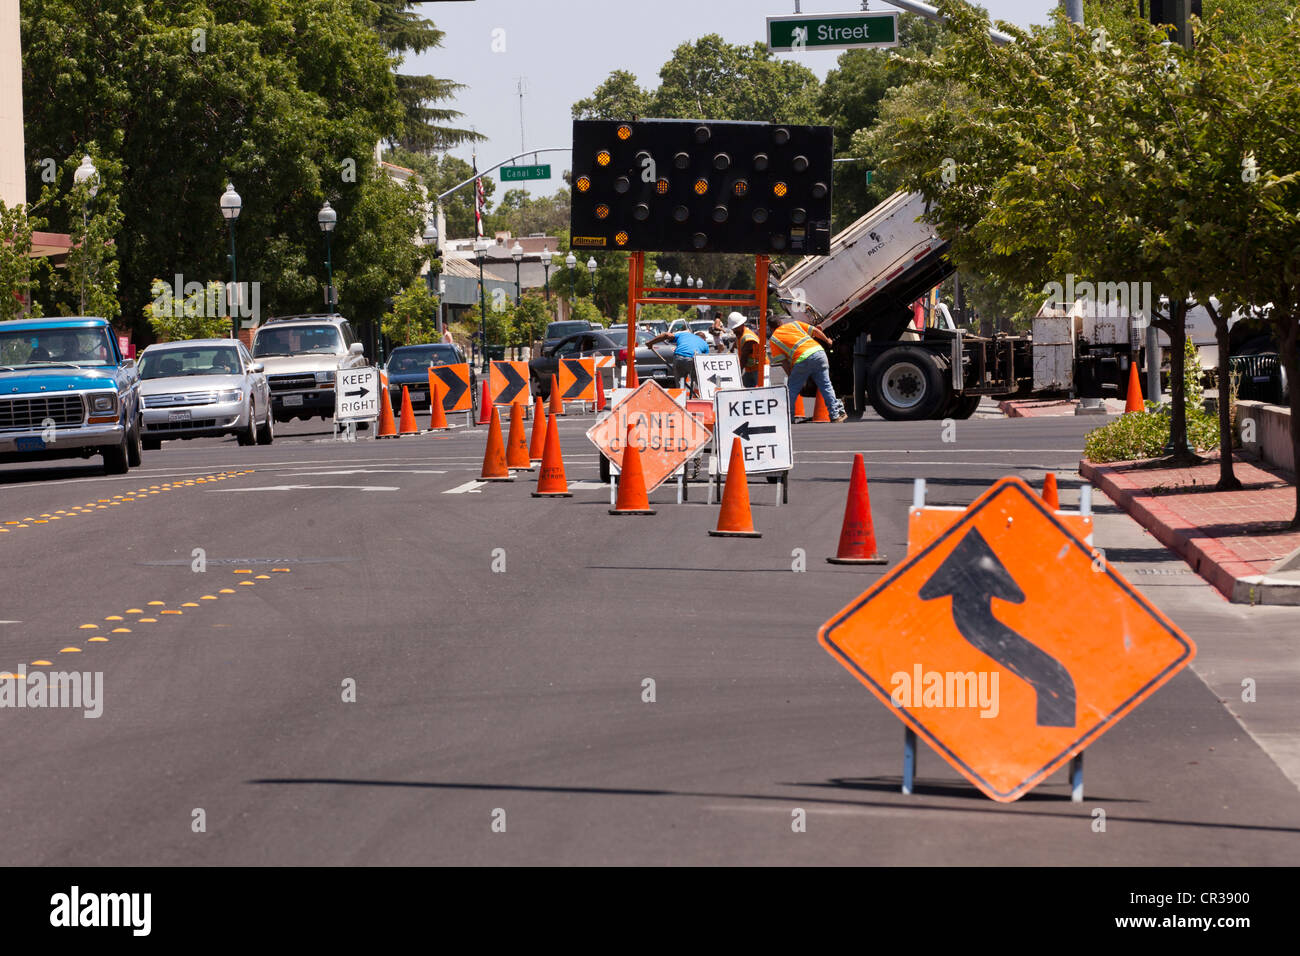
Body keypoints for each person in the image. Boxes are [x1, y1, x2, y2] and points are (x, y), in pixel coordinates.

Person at [768, 315, 847, 422]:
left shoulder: (774, 339)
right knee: (826, 386)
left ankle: (789, 418)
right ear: (781, 323)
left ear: (771, 328)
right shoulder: (794, 324)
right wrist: (827, 340)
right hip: (819, 353)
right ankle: (835, 415)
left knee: (792, 389)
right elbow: (815, 331)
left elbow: (784, 362)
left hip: (802, 359)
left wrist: (792, 375)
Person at [646, 324, 710, 392]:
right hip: (693, 358)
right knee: (699, 382)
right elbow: (704, 360)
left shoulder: (684, 334)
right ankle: (704, 396)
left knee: (680, 383)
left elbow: (666, 335)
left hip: (679, 357)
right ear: (704, 339)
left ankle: (681, 398)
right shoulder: (705, 344)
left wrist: (650, 343)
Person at [729, 312, 761, 388]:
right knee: (747, 388)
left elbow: (744, 358)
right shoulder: (740, 334)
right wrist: (731, 350)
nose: (734, 330)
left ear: (742, 325)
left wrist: (737, 372)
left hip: (759, 369)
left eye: (736, 328)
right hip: (750, 368)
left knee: (761, 391)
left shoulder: (748, 338)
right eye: (733, 328)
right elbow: (737, 341)